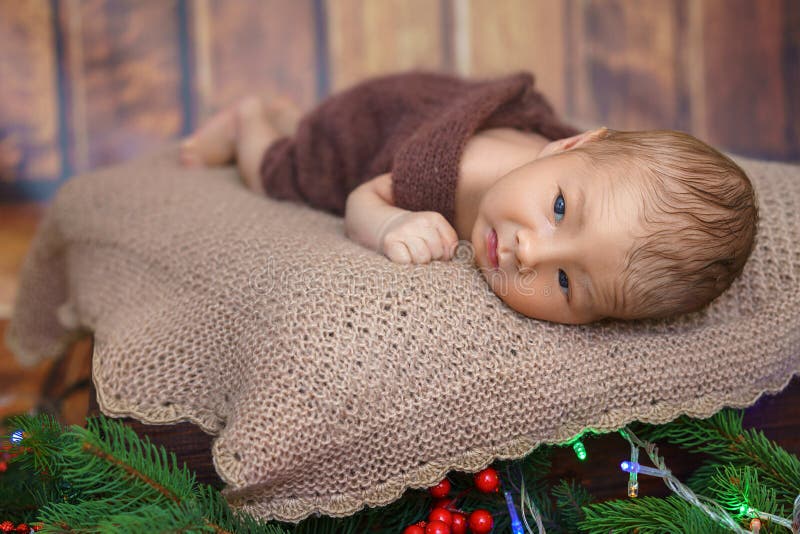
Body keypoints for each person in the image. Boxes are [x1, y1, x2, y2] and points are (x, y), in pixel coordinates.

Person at [179, 71, 758, 326]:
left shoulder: (568, 170)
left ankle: (286, 115)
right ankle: (249, 122)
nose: (529, 254)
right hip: (369, 124)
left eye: (565, 284)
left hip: (428, 109)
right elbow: (364, 194)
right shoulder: (457, 172)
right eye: (559, 210)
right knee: (280, 173)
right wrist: (386, 225)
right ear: (570, 142)